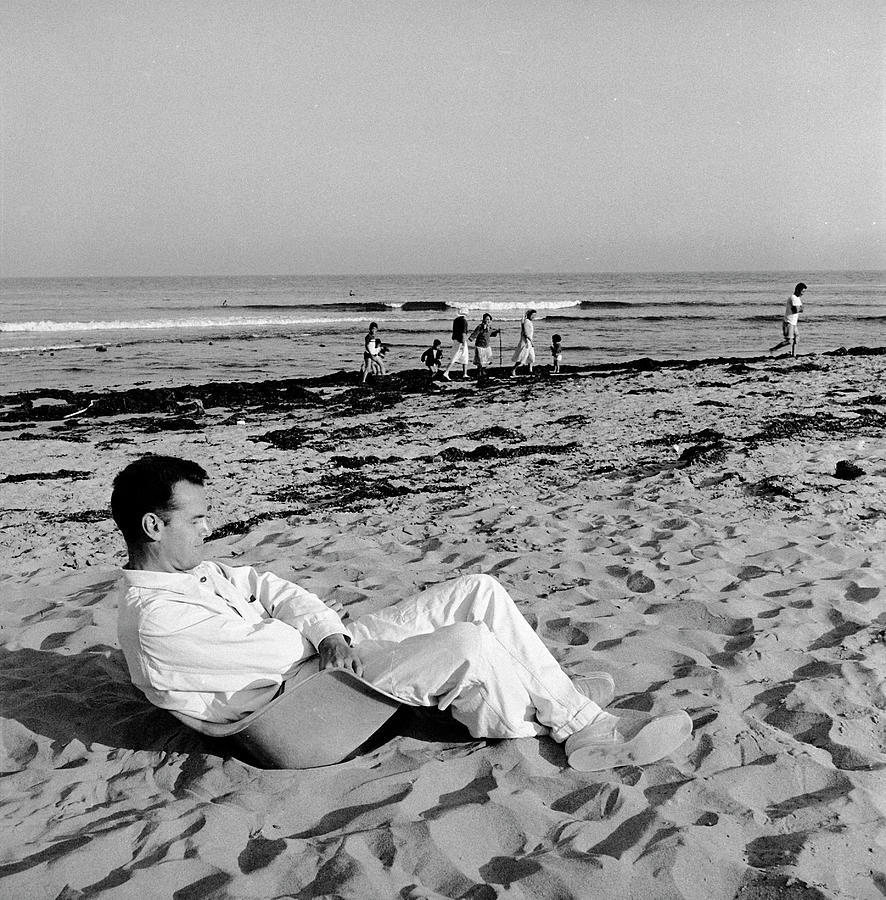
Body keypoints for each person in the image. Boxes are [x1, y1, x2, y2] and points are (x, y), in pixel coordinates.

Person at [112, 455, 693, 772]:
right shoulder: (155, 617)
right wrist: (318, 636)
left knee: (478, 590)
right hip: (301, 704)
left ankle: (551, 694)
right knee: (466, 642)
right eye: (196, 520)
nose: (210, 529)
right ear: (153, 527)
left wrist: (327, 630)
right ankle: (580, 729)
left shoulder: (196, 573)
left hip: (325, 657)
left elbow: (276, 589)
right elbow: (274, 649)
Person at [769, 283, 807, 357]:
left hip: (794, 323)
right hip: (788, 322)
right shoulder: (793, 298)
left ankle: (794, 355)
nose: (803, 294)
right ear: (797, 290)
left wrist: (799, 309)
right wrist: (799, 309)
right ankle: (773, 349)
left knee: (797, 338)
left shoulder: (798, 298)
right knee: (789, 341)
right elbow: (796, 310)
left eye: (804, 292)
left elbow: (801, 309)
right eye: (802, 292)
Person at [469, 313, 500, 381]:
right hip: (480, 346)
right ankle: (479, 371)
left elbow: (491, 334)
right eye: (486, 319)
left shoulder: (490, 328)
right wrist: (471, 338)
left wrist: (497, 331)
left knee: (486, 360)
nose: (487, 321)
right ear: (483, 320)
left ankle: (483, 370)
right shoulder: (480, 327)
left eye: (489, 319)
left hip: (487, 346)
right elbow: (475, 333)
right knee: (480, 361)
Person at [510, 309, 537, 377]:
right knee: (522, 357)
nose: (533, 317)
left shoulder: (528, 322)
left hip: (529, 342)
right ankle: (513, 369)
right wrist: (531, 341)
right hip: (526, 342)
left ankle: (530, 370)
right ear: (529, 315)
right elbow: (526, 333)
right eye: (532, 315)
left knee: (531, 356)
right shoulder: (526, 322)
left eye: (535, 315)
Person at [442, 315, 469, 380]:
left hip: (456, 340)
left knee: (457, 356)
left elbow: (454, 331)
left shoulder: (456, 320)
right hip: (461, 341)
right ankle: (446, 372)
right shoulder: (464, 321)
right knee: (461, 356)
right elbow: (463, 333)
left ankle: (464, 373)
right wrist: (463, 343)